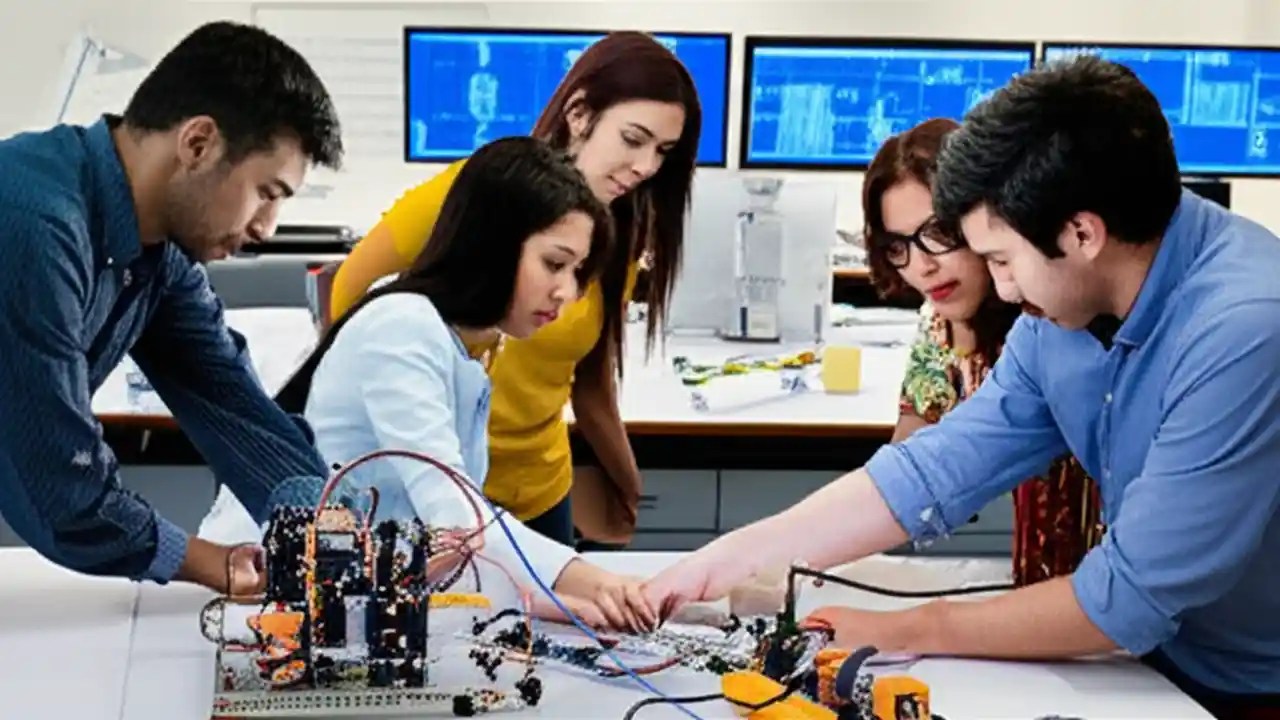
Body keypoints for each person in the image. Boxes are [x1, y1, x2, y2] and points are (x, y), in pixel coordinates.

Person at [644, 56, 1280, 718]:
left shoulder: (1243, 325)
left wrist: (907, 630)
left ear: (1082, 233)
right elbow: (938, 467)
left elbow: (1127, 597)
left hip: (1251, 683)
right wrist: (731, 557)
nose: (1001, 287)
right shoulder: (1064, 306)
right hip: (1150, 667)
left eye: (1002, 259)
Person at [238, 136, 650, 631]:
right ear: (493, 244)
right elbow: (456, 516)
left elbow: (442, 546)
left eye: (578, 272)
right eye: (554, 264)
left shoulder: (467, 340)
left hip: (352, 599)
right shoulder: (402, 328)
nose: (567, 292)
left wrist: (539, 600)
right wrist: (599, 583)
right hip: (265, 601)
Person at [321, 31, 702, 547]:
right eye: (633, 140)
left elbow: (589, 376)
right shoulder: (477, 193)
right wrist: (376, 423)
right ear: (579, 114)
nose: (647, 167)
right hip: (437, 484)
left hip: (541, 488)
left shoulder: (618, 235)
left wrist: (627, 481)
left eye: (663, 152)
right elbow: (352, 293)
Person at [0, 22, 343, 595]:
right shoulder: (35, 225)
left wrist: (329, 525)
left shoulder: (159, 256)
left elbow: (230, 400)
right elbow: (58, 485)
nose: (266, 228)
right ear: (198, 144)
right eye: (267, 193)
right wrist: (209, 562)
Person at [862, 117, 1102, 587]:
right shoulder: (941, 321)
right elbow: (905, 465)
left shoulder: (1057, 315)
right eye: (898, 247)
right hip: (1041, 583)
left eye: (938, 232)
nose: (922, 266)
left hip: (1116, 584)